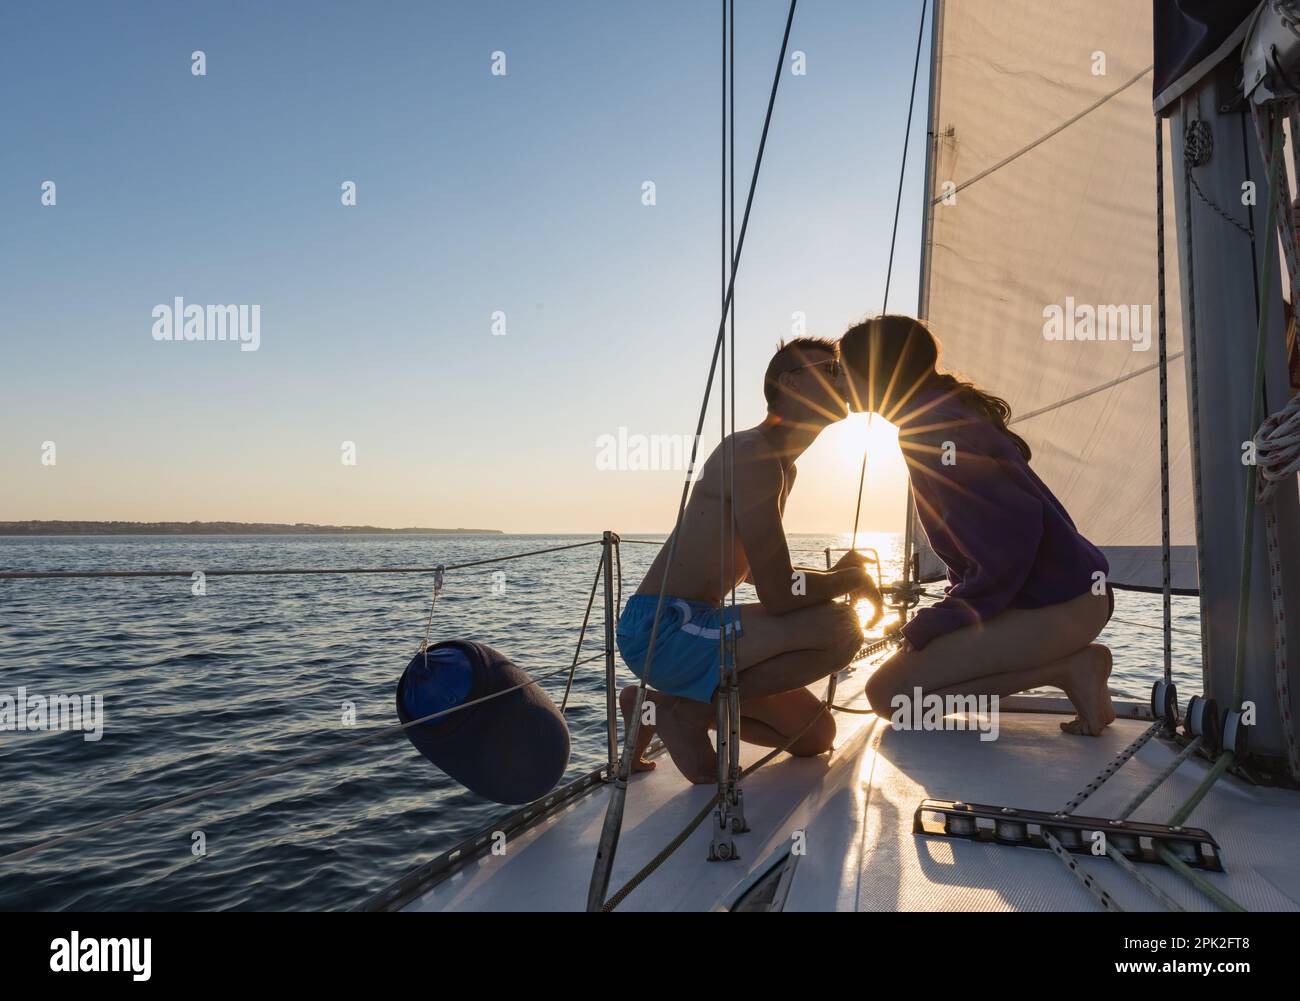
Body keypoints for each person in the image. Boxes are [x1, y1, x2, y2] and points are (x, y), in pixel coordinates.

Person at [617, 337, 881, 783]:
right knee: (839, 628)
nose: (845, 377)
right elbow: (779, 595)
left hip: (696, 625)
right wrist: (848, 580)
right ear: (791, 382)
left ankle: (657, 706)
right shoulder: (752, 453)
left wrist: (837, 577)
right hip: (666, 629)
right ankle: (686, 712)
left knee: (815, 736)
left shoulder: (782, 467)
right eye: (832, 368)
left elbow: (763, 578)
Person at [839, 315, 1116, 735]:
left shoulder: (929, 429)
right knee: (901, 687)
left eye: (845, 368)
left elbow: (1007, 544)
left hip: (1054, 608)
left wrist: (936, 622)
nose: (840, 379)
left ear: (876, 373)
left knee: (890, 698)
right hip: (1070, 599)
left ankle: (1069, 667)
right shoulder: (942, 413)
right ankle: (1070, 664)